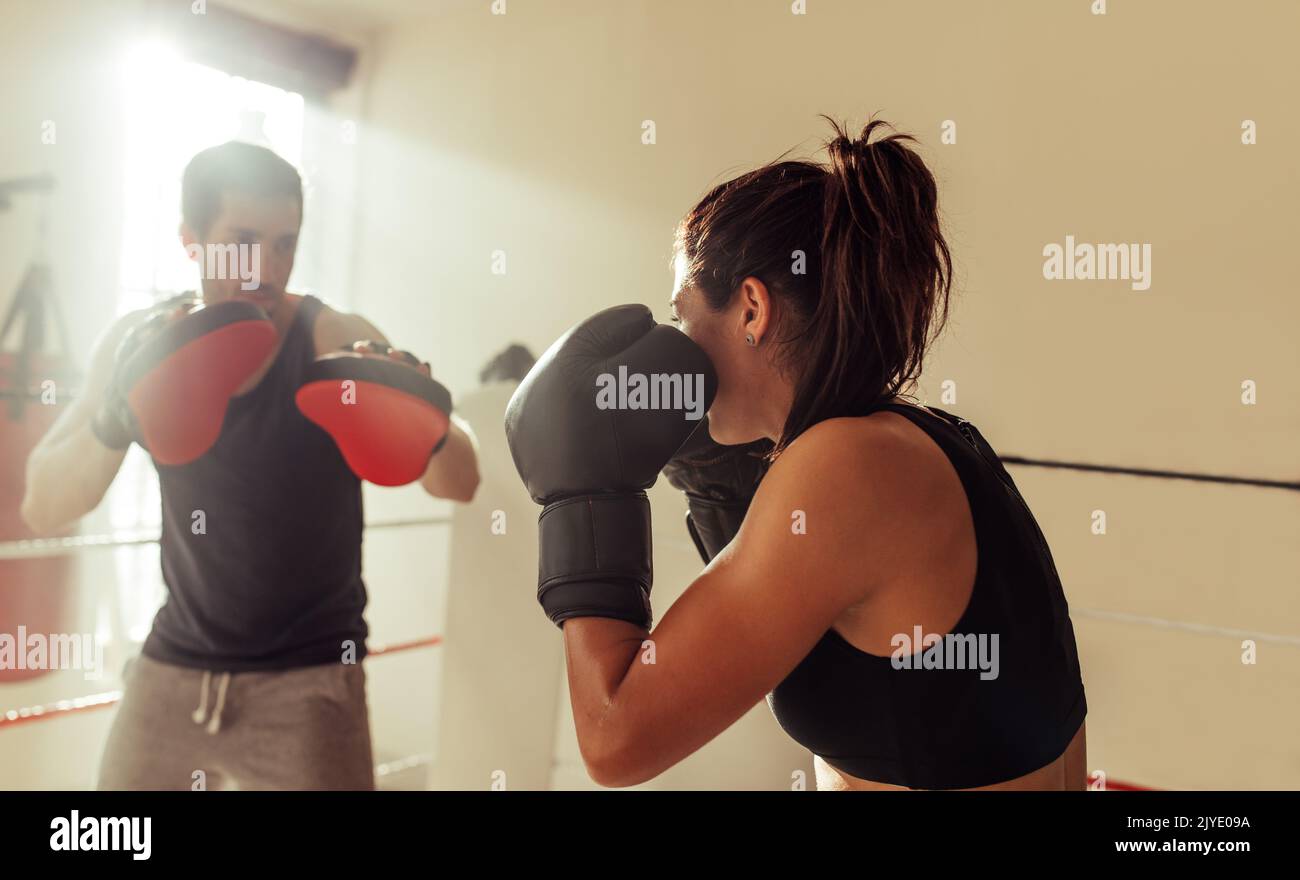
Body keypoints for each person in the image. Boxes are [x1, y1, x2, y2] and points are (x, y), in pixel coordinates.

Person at [506, 119, 1087, 790]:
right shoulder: (917, 437)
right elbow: (779, 662)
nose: (675, 341)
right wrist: (716, 481)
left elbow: (614, 742)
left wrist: (582, 495)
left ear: (751, 308)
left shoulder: (843, 467)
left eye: (683, 311)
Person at [21, 141, 480, 790]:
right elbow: (43, 506)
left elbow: (461, 482)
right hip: (172, 671)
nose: (268, 268)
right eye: (243, 240)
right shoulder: (141, 344)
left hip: (308, 682)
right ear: (191, 240)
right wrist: (116, 415)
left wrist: (420, 413)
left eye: (285, 243)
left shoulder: (327, 337)